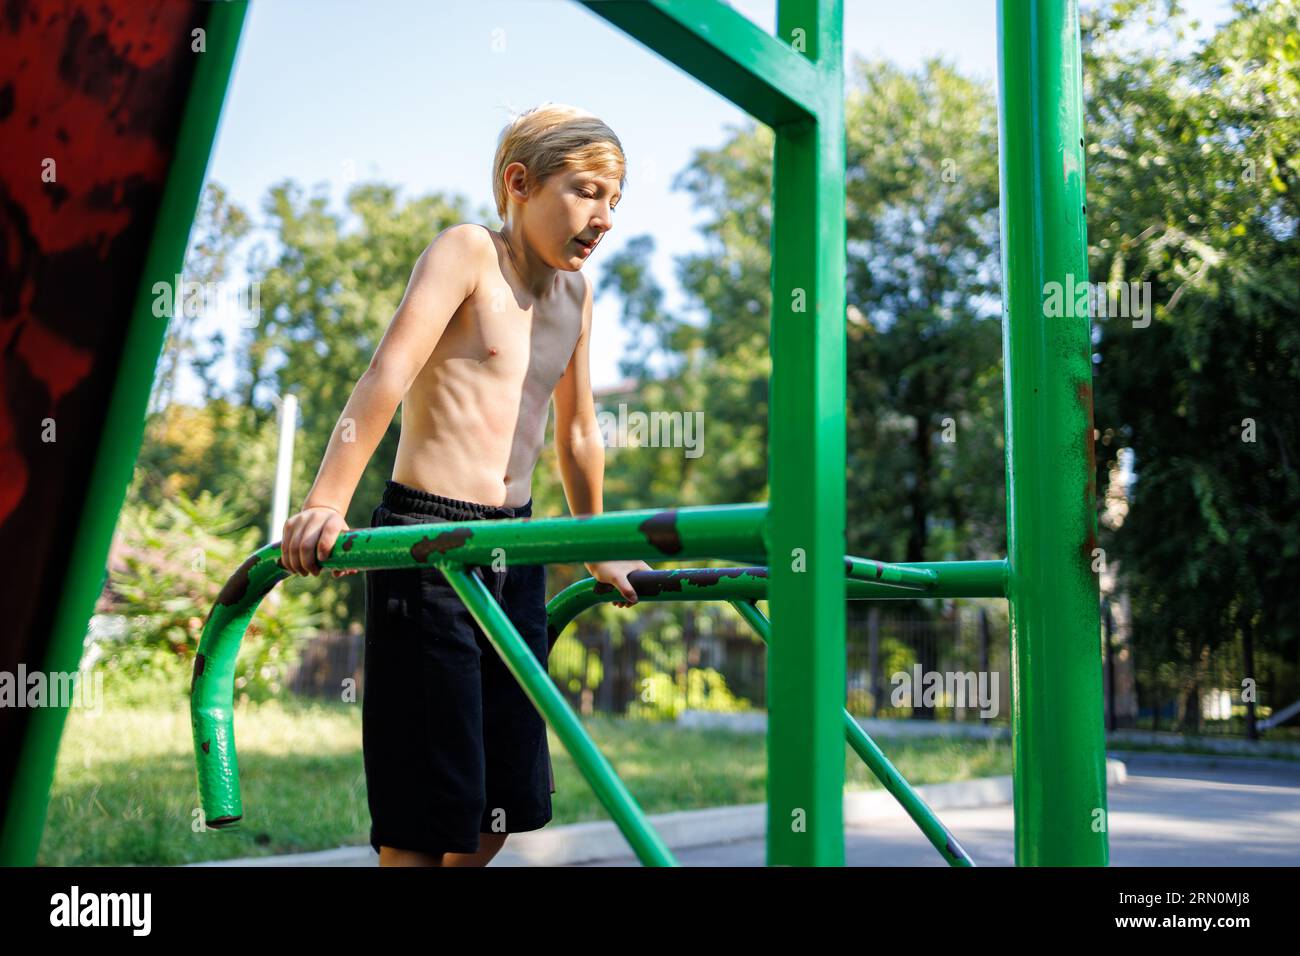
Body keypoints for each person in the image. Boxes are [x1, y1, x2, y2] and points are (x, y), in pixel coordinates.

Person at [278, 103, 649, 867]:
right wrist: (325, 501)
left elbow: (578, 433)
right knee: (426, 812)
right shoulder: (467, 254)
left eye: (615, 200)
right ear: (519, 182)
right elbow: (387, 374)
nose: (604, 216)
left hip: (518, 545)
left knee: (502, 807)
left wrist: (599, 547)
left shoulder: (576, 301)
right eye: (586, 191)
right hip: (428, 545)